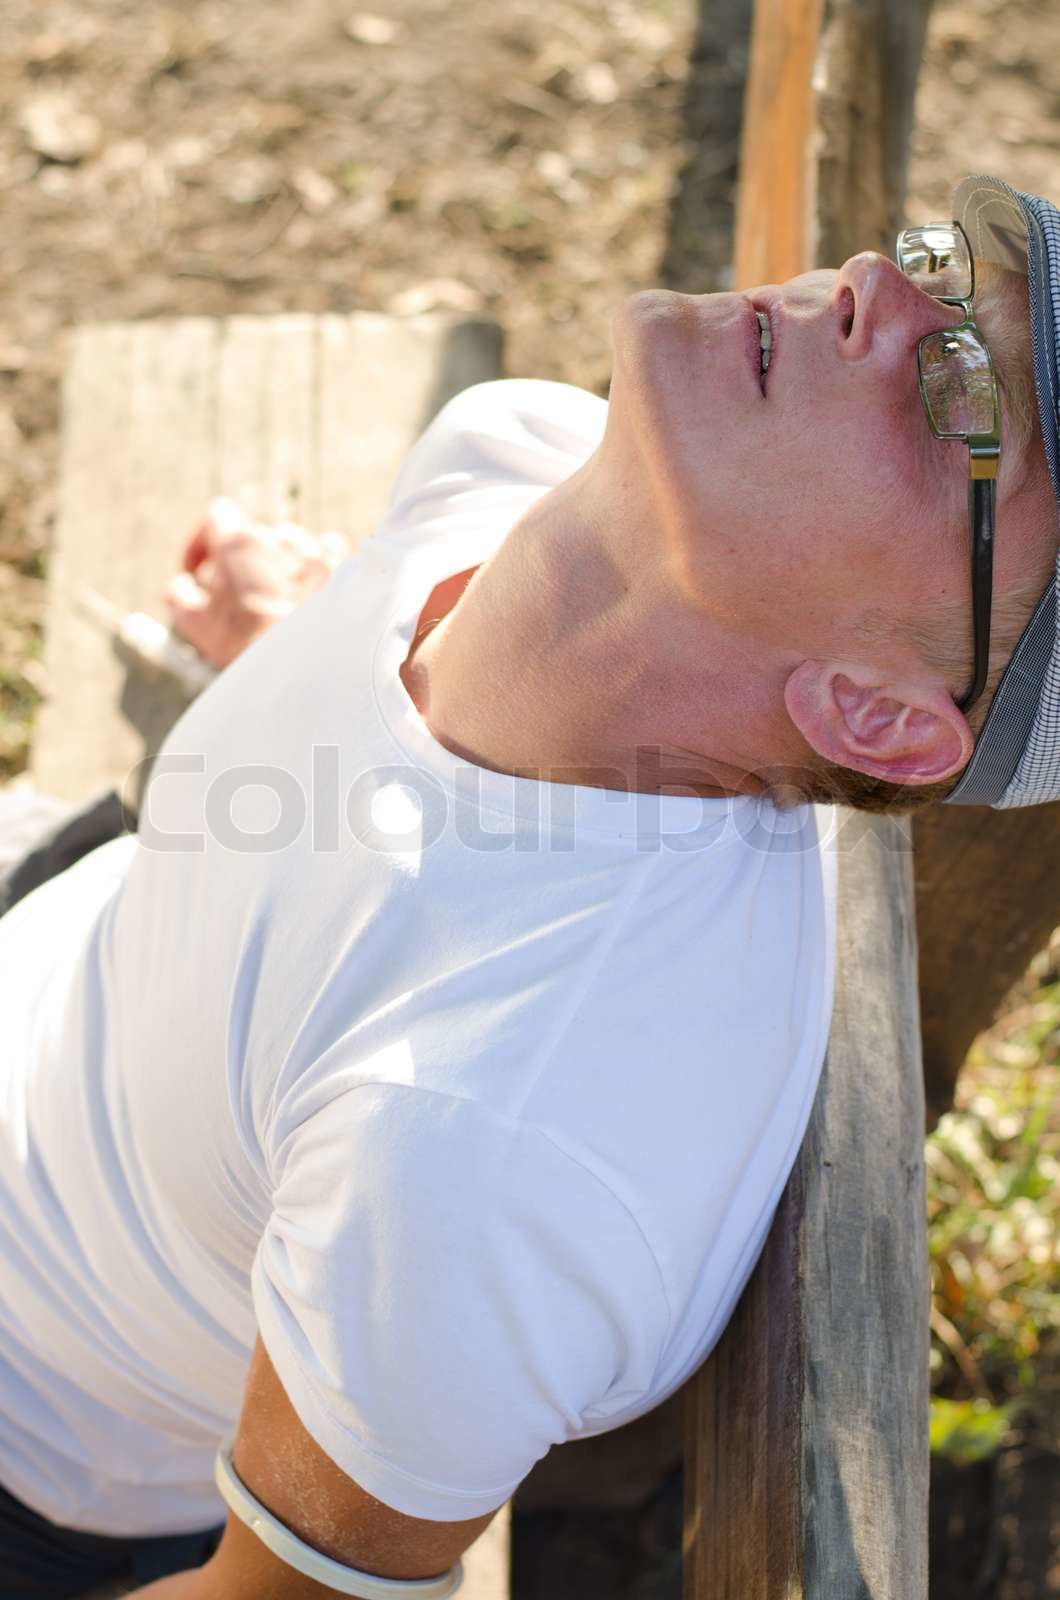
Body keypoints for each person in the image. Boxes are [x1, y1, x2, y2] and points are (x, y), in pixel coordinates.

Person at [0, 171, 1058, 1599]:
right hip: (65, 933)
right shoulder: (522, 460)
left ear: (875, 715)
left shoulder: (482, 1150)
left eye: (962, 400)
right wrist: (297, 653)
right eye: (946, 269)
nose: (877, 282)